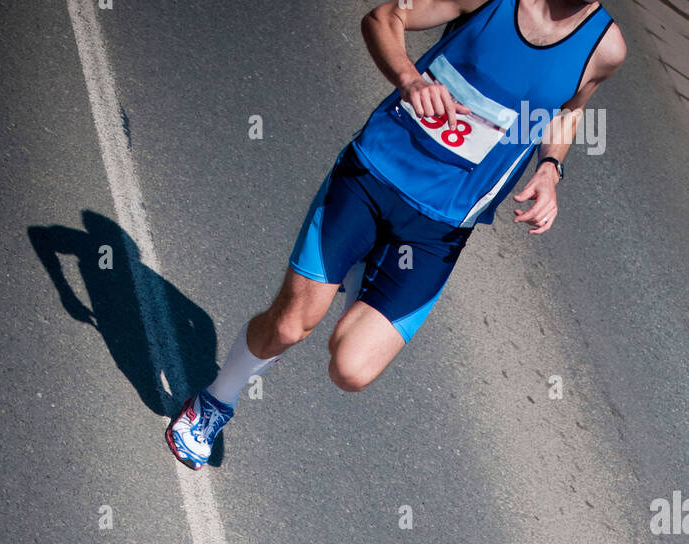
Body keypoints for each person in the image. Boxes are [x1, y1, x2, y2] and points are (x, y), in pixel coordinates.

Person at [166, 0, 625, 468]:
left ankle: (365, 263)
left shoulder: (604, 47)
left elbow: (568, 109)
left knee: (351, 369)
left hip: (441, 227)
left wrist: (551, 167)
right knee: (289, 325)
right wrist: (410, 79)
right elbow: (383, 18)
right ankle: (216, 401)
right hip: (374, 175)